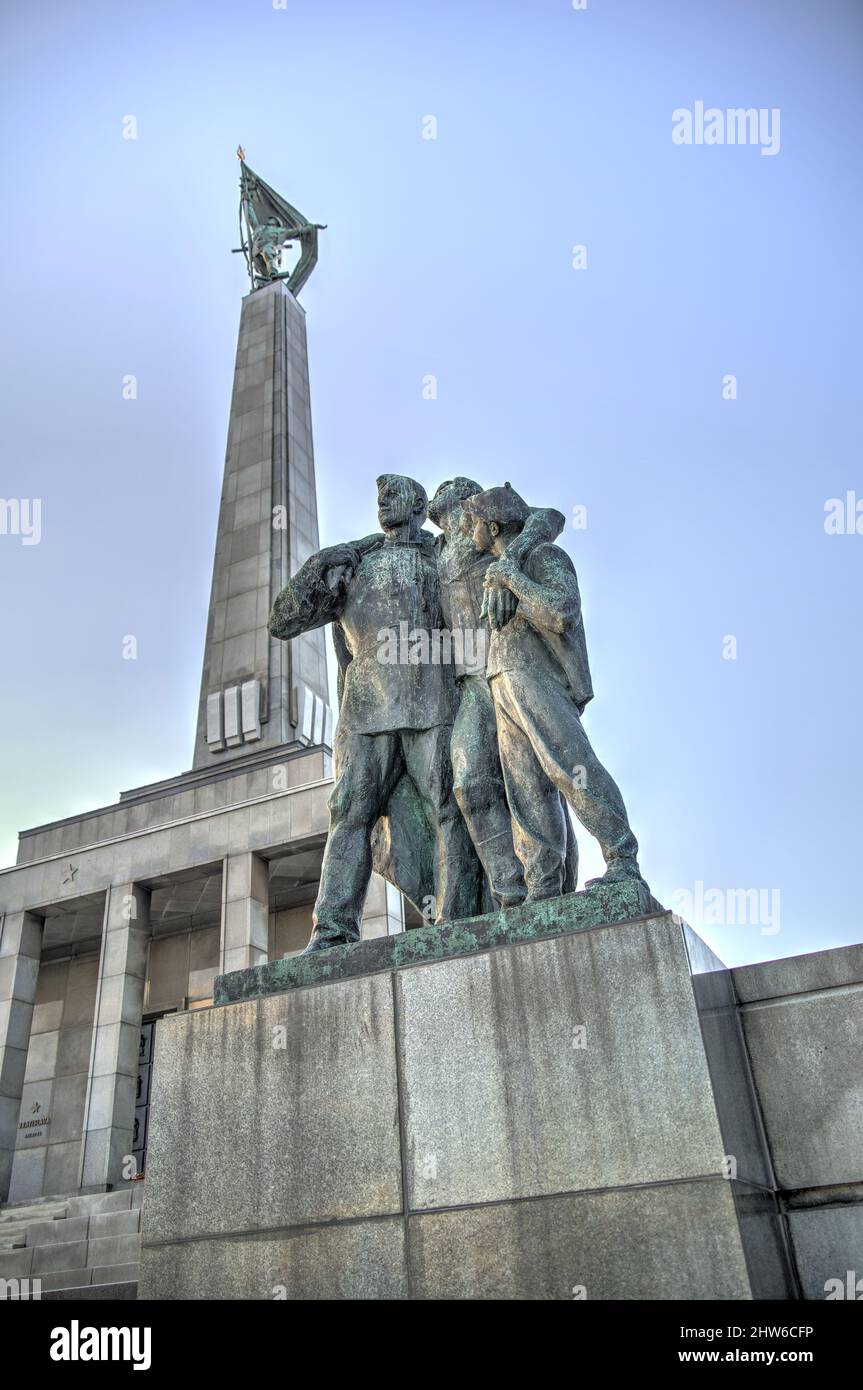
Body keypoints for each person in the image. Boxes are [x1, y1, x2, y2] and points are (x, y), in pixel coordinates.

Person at [466, 483, 642, 899]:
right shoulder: (500, 566)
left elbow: (561, 611)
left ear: (493, 525)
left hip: (538, 675)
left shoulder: (543, 557)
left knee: (572, 766)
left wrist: (513, 579)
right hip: (502, 677)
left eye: (474, 520)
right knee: (525, 785)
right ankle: (542, 885)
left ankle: (622, 858)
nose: (468, 527)